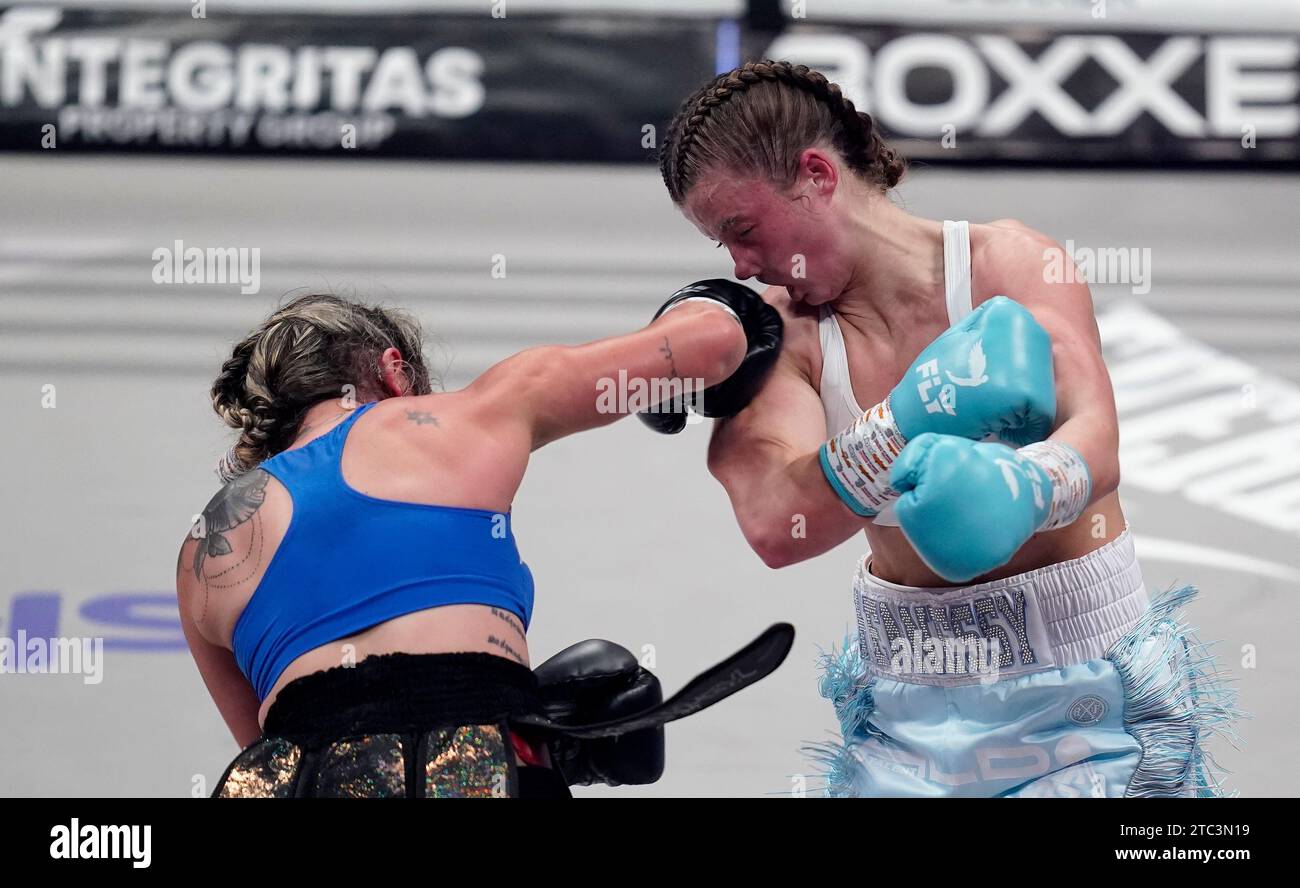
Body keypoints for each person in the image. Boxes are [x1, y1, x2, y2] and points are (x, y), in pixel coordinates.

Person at [647, 60, 1240, 797]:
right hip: (906, 713)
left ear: (816, 175)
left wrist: (1027, 486)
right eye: (721, 246)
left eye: (743, 229)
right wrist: (907, 420)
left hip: (1089, 701)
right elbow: (775, 521)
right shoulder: (788, 340)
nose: (739, 264)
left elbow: (1095, 435)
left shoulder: (1008, 264)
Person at [177, 287, 785, 797]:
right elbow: (720, 338)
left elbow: (274, 749)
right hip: (472, 766)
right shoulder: (468, 414)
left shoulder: (200, 554)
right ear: (395, 372)